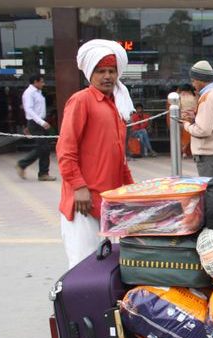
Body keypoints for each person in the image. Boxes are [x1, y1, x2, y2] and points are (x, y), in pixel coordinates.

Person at [56, 39, 135, 269]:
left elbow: (119, 159)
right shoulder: (81, 100)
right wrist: (79, 186)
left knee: (103, 268)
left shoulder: (117, 105)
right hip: (83, 202)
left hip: (107, 203)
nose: (107, 76)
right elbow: (65, 148)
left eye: (111, 71)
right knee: (83, 268)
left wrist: (133, 191)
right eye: (101, 71)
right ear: (90, 73)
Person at [180, 60, 213, 177]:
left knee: (210, 192)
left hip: (209, 155)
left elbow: (203, 130)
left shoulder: (207, 98)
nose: (193, 84)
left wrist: (187, 125)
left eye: (193, 81)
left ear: (200, 80)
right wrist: (196, 118)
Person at [16, 73, 56, 181]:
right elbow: (29, 110)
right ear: (35, 82)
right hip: (36, 123)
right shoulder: (29, 93)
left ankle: (43, 173)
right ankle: (22, 164)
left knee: (45, 148)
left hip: (41, 121)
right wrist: (41, 122)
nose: (43, 84)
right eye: (41, 81)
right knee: (42, 147)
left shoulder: (38, 92)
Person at [176, 84, 197, 158]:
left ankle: (182, 151)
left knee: (181, 136)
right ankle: (188, 151)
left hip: (181, 119)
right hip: (192, 119)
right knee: (191, 135)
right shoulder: (194, 97)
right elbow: (196, 108)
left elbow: (177, 107)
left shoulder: (180, 97)